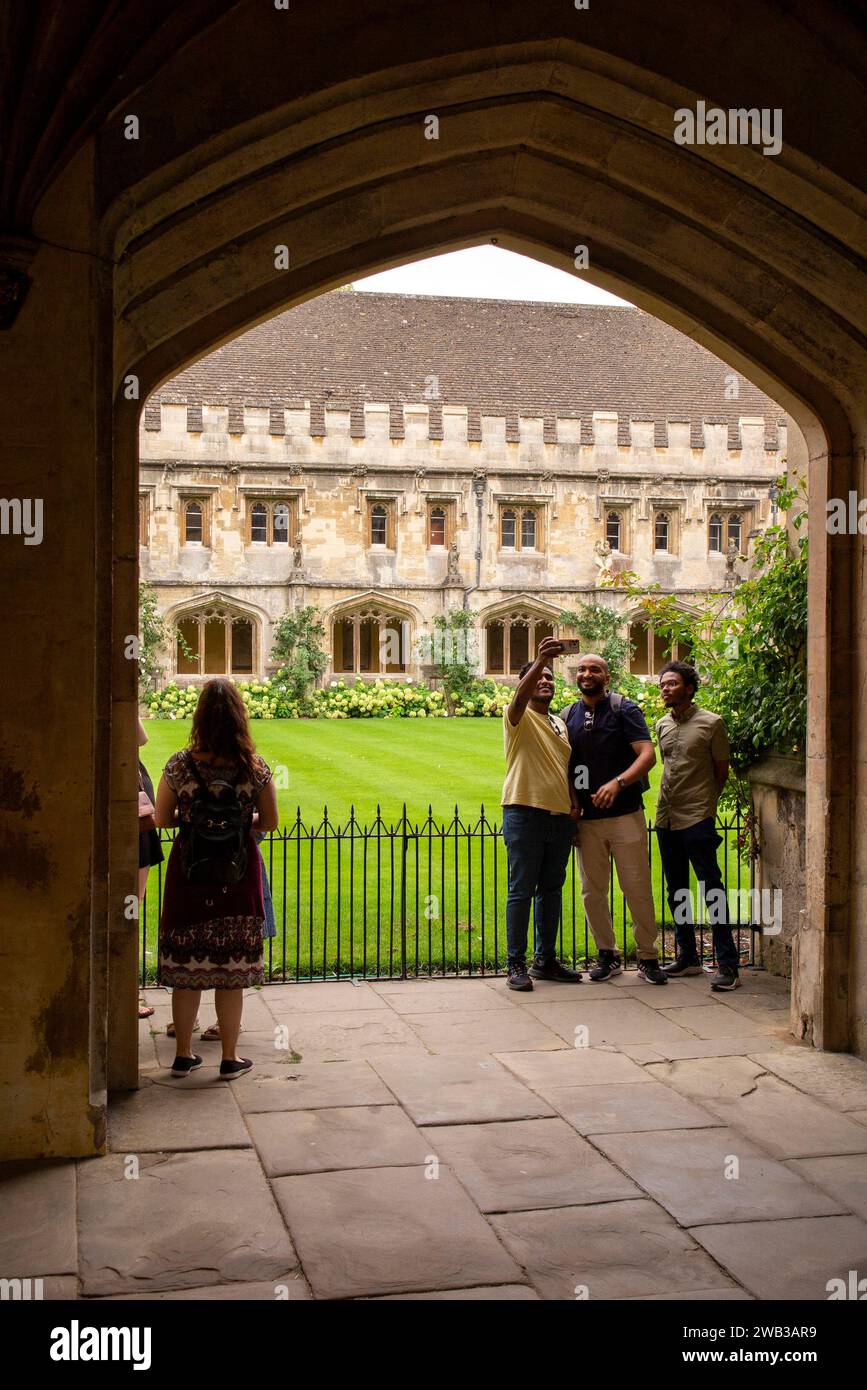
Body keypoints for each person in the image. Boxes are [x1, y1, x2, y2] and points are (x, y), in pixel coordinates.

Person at [154, 678, 279, 1079]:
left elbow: (160, 819)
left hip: (190, 873)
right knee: (232, 972)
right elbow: (271, 822)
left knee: (186, 967)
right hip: (237, 874)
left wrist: (197, 821)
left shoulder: (179, 764)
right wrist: (237, 822)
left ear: (200, 717)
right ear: (239, 718)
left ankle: (184, 1055)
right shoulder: (254, 767)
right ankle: (229, 1058)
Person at [562, 653, 667, 984]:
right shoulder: (568, 716)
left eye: (595, 669)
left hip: (625, 815)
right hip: (588, 820)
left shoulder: (625, 709)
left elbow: (647, 755)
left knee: (636, 886)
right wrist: (573, 805)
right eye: (582, 669)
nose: (587, 673)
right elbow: (566, 769)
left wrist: (619, 783)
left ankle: (648, 956)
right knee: (592, 891)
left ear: (607, 677)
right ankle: (607, 954)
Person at [501, 636, 583, 991]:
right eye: (539, 677)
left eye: (550, 677)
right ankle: (515, 963)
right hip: (524, 811)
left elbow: (563, 768)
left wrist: (573, 801)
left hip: (559, 816)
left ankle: (545, 960)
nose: (545, 681)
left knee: (551, 889)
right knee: (521, 889)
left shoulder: (560, 723)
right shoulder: (517, 716)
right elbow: (519, 697)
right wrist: (538, 661)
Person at [655, 660, 741, 990]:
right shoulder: (662, 724)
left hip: (696, 817)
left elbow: (721, 770)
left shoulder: (712, 723)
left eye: (672, 684)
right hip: (666, 817)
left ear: (689, 688)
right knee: (676, 889)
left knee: (711, 888)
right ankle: (688, 956)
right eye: (663, 684)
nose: (665, 688)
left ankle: (729, 964)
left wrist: (706, 804)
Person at [137, 716, 164, 1020]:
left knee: (132, 908)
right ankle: (127, 991)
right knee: (127, 910)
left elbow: (140, 737)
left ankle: (127, 987)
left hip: (141, 833)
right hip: (134, 833)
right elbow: (140, 735)